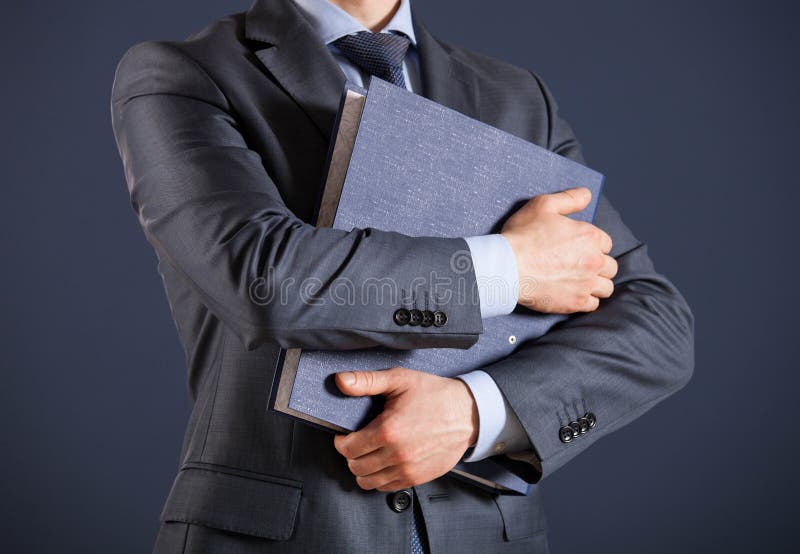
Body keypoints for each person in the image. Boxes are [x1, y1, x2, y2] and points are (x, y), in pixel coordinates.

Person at [110, 0, 694, 552]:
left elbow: (655, 324)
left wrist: (477, 412)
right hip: (279, 533)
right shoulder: (185, 74)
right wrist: (511, 268)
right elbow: (264, 277)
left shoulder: (518, 96)